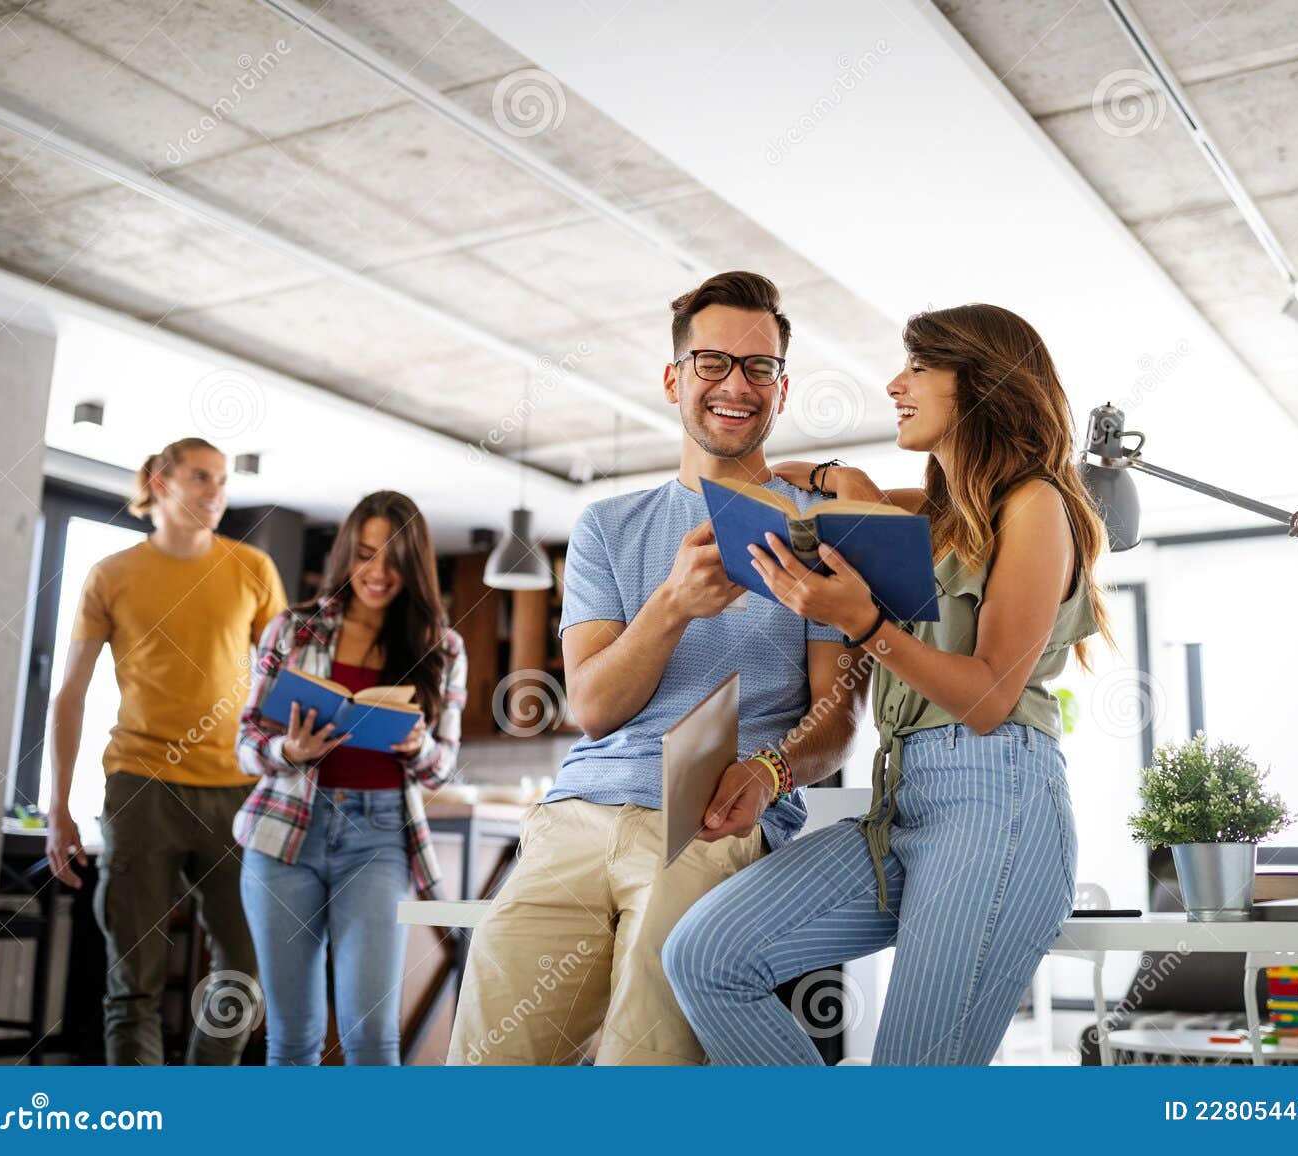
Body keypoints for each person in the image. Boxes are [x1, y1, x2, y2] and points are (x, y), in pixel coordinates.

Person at [663, 303, 1110, 1065]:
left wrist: (863, 622)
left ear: (981, 383)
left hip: (998, 803)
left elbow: (987, 700)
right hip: (901, 806)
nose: (895, 384)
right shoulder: (944, 515)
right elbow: (860, 504)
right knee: (706, 956)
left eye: (919, 368)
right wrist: (828, 480)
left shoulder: (1037, 505)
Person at [446, 271, 868, 1066]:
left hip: (709, 825)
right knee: (488, 1061)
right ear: (675, 379)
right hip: (575, 816)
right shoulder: (607, 526)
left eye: (759, 367)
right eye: (712, 363)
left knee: (648, 1061)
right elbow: (594, 707)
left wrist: (772, 773)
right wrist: (671, 606)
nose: (736, 385)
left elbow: (839, 718)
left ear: (781, 389)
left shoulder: (819, 530)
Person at [45, 436, 289, 1065]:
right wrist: (58, 806)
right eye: (202, 477)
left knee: (243, 973)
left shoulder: (252, 568)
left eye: (223, 480)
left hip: (237, 790)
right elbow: (69, 695)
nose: (216, 492)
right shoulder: (111, 574)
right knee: (134, 983)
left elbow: (284, 680)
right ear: (160, 482)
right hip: (141, 786)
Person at [235, 490, 466, 1065]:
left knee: (372, 1037)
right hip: (284, 834)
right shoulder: (293, 629)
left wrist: (418, 746)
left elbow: (443, 767)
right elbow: (246, 744)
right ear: (346, 554)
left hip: (379, 837)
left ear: (416, 565)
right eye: (365, 555)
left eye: (394, 559)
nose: (378, 573)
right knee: (292, 1040)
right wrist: (288, 750)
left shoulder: (441, 647)